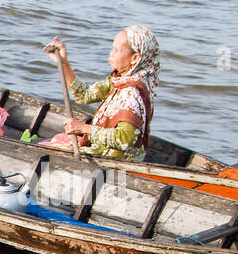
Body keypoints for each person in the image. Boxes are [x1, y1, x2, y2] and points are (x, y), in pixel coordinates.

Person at [43, 26, 160, 161]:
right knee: (58, 138)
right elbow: (83, 94)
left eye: (116, 50)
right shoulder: (120, 81)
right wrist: (63, 63)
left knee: (46, 147)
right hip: (104, 151)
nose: (111, 53)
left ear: (135, 58)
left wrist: (84, 128)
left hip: (115, 160)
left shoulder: (132, 94)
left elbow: (125, 140)